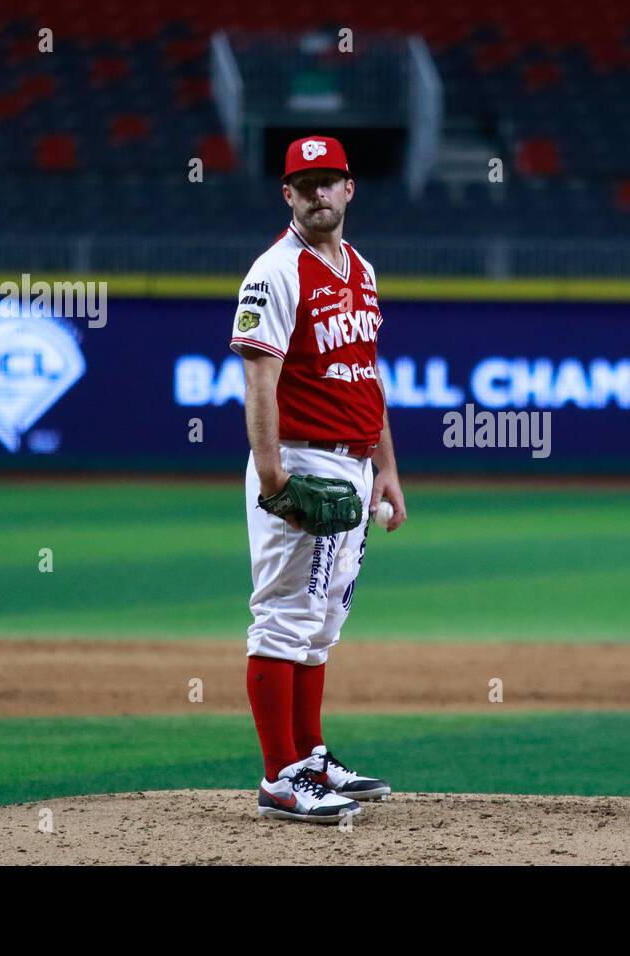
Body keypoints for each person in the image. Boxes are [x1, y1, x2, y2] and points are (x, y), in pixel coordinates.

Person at [230, 135, 407, 824]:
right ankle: (280, 777)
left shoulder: (360, 268)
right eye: (306, 184)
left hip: (355, 463)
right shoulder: (275, 272)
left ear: (349, 188)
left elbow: (367, 373)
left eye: (329, 181)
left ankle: (309, 757)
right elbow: (259, 378)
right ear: (288, 195)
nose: (319, 193)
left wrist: (386, 468)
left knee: (322, 623)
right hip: (302, 459)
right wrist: (274, 477)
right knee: (283, 620)